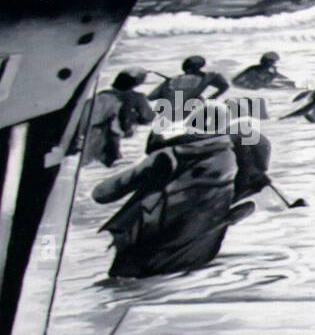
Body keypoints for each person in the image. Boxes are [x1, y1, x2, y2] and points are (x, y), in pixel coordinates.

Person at [92, 103, 254, 278]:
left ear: (191, 123)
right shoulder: (229, 158)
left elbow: (102, 194)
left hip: (146, 255)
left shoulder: (167, 156)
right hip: (198, 254)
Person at [81, 68, 155, 167]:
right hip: (115, 135)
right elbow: (148, 118)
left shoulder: (100, 96)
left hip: (91, 136)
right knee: (111, 162)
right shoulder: (137, 97)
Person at [147, 55, 230, 109]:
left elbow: (150, 98)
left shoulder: (171, 80)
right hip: (186, 114)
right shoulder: (208, 77)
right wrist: (210, 99)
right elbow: (225, 86)